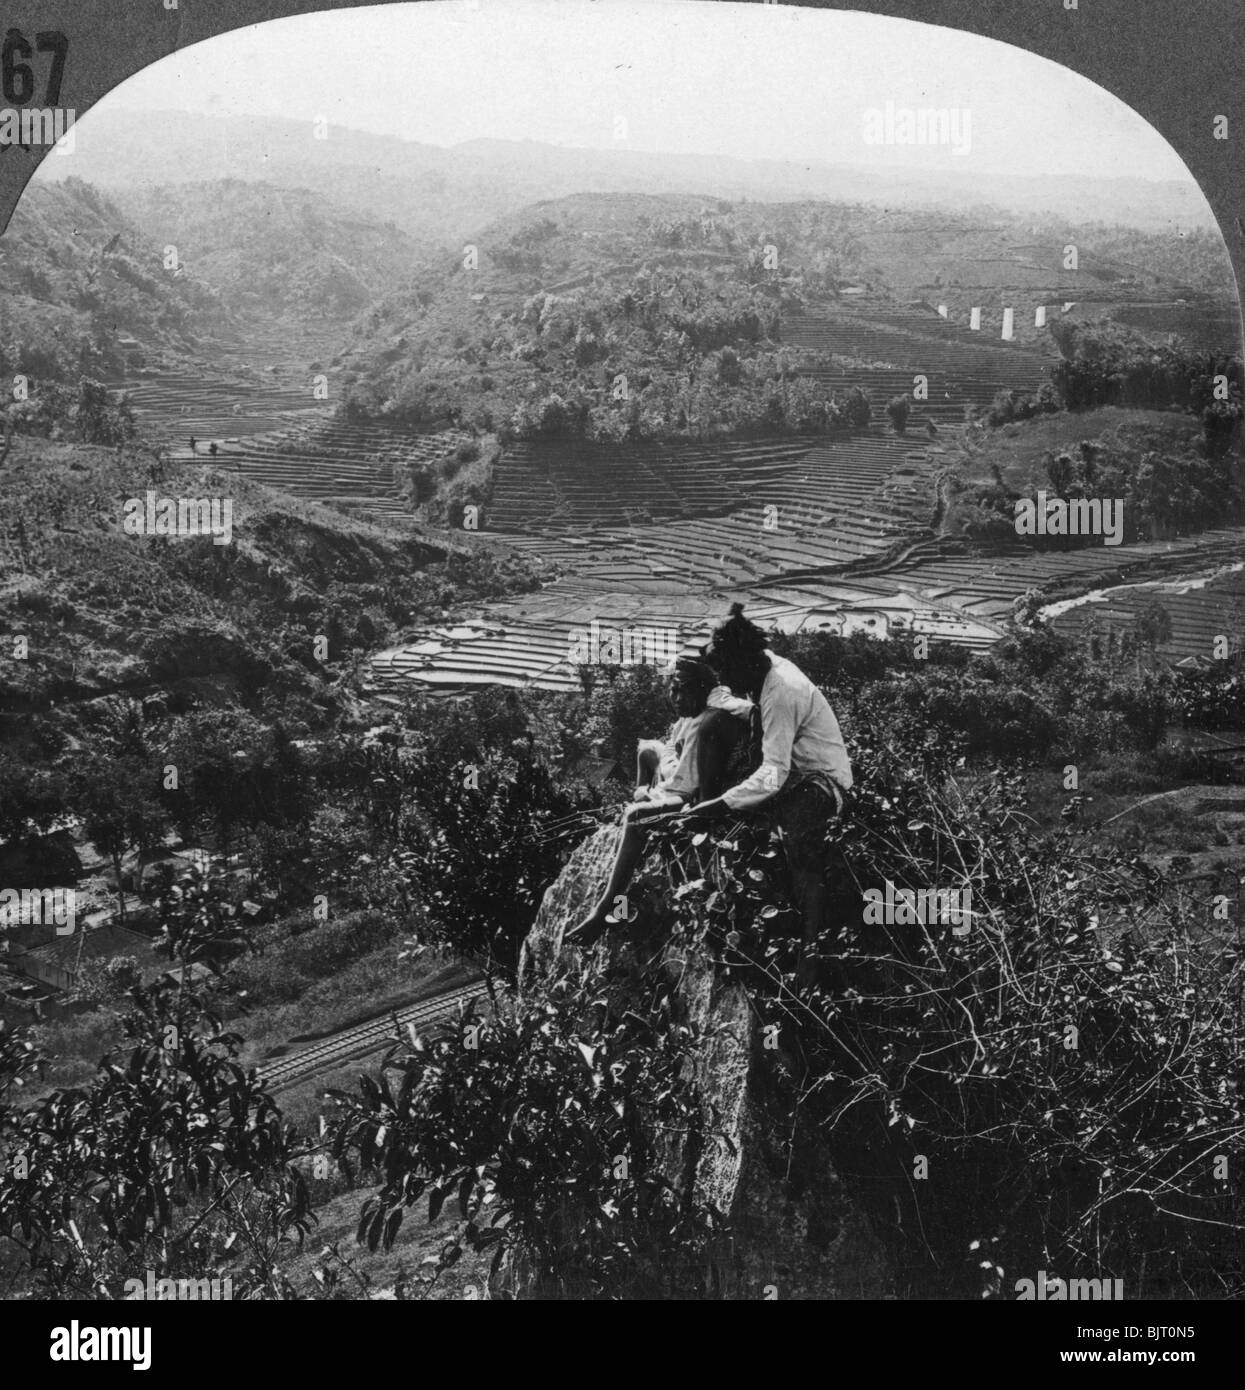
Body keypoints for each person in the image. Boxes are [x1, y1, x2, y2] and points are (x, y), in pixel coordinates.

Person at [681, 603, 854, 967]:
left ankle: (811, 950)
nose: (726, 680)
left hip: (820, 779)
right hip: (789, 768)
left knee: (797, 843)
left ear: (743, 661)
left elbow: (775, 771)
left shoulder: (781, 690)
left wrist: (723, 803)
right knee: (715, 724)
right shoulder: (762, 670)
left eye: (727, 670)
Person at [567, 656, 752, 946]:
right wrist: (651, 779)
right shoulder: (688, 718)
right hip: (677, 776)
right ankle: (641, 788)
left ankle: (607, 908)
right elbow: (670, 745)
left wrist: (650, 796)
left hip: (684, 796)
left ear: (704, 690)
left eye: (685, 690)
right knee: (646, 750)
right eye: (673, 690)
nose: (677, 698)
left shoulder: (706, 722)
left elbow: (684, 790)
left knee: (636, 815)